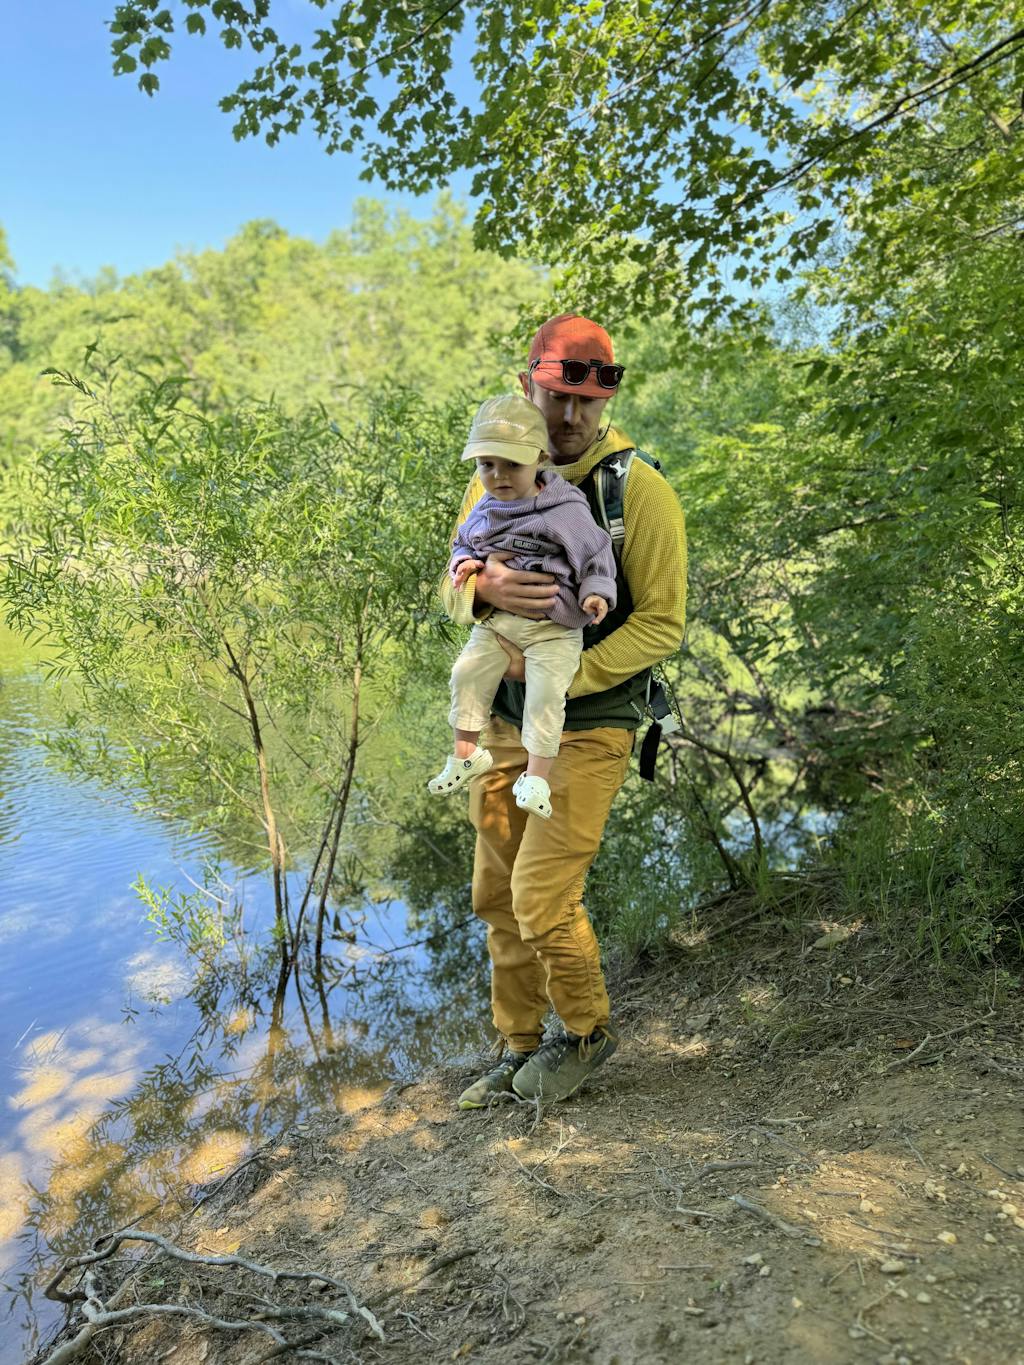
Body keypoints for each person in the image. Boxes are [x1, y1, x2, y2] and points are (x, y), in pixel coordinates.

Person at [440, 313, 687, 1108]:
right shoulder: (494, 475)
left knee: (541, 894)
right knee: (496, 891)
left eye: (585, 401)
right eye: (556, 397)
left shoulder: (636, 490)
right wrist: (483, 590)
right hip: (504, 725)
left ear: (606, 398)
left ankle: (586, 1033)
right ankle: (518, 1046)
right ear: (528, 388)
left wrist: (559, 675)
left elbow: (661, 622)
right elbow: (446, 587)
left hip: (589, 724)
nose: (571, 417)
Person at [428, 394, 617, 821]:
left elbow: (595, 555)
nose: (498, 476)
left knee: (547, 694)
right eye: (486, 465)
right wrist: (468, 568)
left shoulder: (563, 509)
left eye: (511, 465)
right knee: (466, 672)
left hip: (554, 628)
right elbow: (462, 545)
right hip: (499, 625)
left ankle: (537, 776)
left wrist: (595, 593)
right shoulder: (485, 506)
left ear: (539, 458)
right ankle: (465, 753)